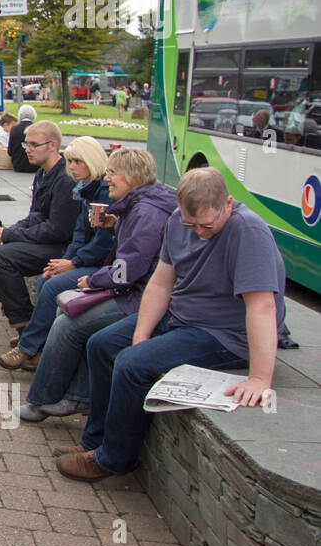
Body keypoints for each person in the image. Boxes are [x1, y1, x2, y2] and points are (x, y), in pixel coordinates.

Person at [56, 168, 286, 481]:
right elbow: (162, 282)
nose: (199, 232)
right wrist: (141, 335)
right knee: (101, 345)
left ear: (228, 204)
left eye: (207, 225)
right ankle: (93, 442)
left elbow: (262, 306)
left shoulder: (248, 231)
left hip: (223, 334)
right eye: (192, 225)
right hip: (181, 316)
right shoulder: (178, 220)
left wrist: (260, 377)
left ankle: (113, 460)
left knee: (131, 365)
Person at [19, 147, 177, 420]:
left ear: (133, 176)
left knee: (69, 323)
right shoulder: (140, 205)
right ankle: (75, 395)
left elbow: (129, 269)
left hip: (143, 297)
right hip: (135, 289)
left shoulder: (146, 213)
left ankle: (43, 400)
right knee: (71, 313)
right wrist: (115, 223)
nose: (107, 179)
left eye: (113, 173)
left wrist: (92, 280)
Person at [0, 136, 113, 372]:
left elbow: (103, 243)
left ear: (91, 161)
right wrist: (67, 261)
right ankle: (41, 344)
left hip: (105, 266)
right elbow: (79, 233)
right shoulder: (86, 189)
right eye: (70, 161)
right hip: (85, 258)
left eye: (77, 162)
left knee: (51, 285)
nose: (71, 167)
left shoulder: (102, 193)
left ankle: (28, 348)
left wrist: (73, 263)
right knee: (47, 278)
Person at [0, 120, 77, 340]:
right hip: (44, 240)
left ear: (52, 145)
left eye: (33, 145)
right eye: (25, 144)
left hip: (62, 248)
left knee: (1, 256)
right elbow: (35, 216)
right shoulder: (42, 174)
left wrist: (10, 235)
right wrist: (9, 231)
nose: (27, 149)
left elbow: (58, 230)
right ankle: (20, 315)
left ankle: (25, 324)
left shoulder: (65, 179)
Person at [6, 104, 38, 173]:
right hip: (35, 166)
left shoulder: (14, 129)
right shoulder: (37, 128)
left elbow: (10, 151)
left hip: (18, 165)